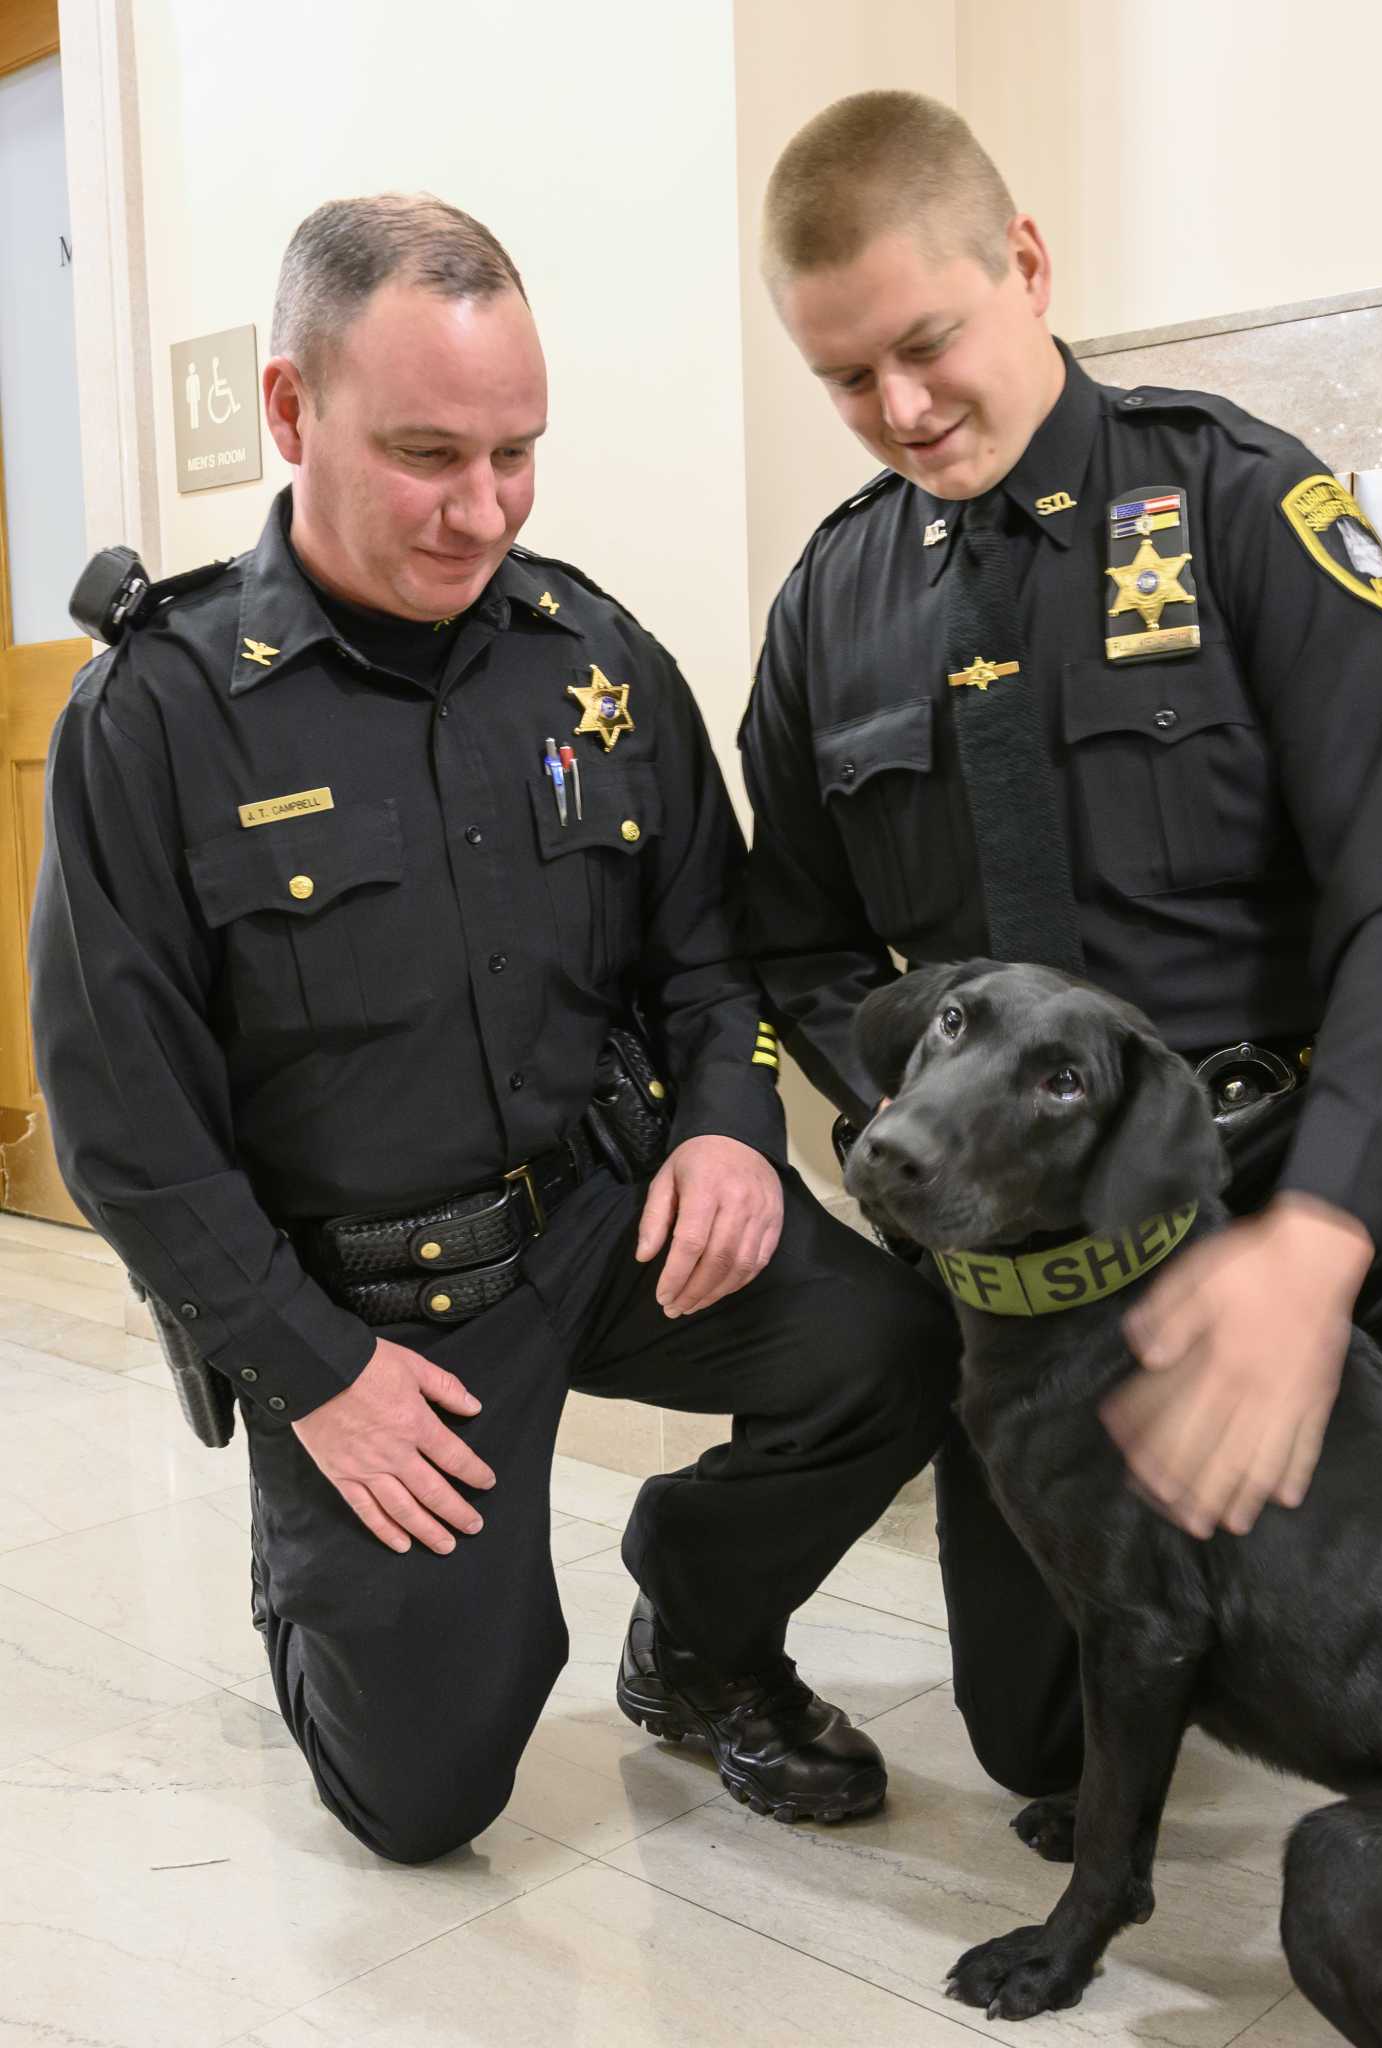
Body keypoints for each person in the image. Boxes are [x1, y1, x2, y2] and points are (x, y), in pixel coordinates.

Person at [740, 90, 1382, 1800]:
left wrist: (1316, 1237)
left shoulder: (1239, 502)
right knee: (1042, 1758)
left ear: (1023, 263)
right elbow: (794, 949)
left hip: (1300, 1141)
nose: (901, 409)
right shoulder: (828, 605)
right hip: (1043, 1243)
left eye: (925, 345)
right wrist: (929, 1143)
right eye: (845, 379)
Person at [31, 193, 956, 1861]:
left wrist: (729, 1130)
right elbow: (125, 1124)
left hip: (602, 1220)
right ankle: (316, 1563)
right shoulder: (158, 713)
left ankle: (701, 1639)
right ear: (293, 409)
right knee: (423, 1803)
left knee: (889, 1344)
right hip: (368, 1307)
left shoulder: (593, 658)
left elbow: (709, 954)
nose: (482, 512)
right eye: (427, 456)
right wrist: (311, 1379)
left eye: (516, 454)